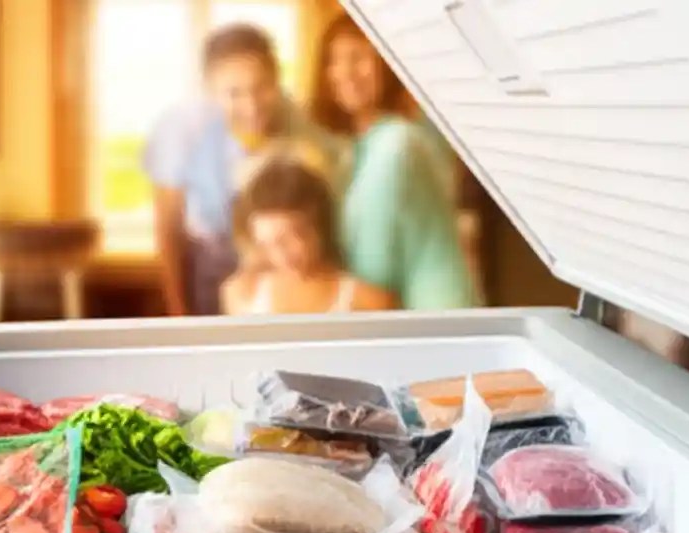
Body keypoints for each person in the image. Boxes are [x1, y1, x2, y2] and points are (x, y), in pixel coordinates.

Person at [145, 24, 347, 316]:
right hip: (210, 265)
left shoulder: (303, 131)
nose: (251, 106)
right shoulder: (181, 130)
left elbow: (321, 221)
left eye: (262, 87)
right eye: (234, 93)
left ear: (277, 78)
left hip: (282, 262)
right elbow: (168, 229)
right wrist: (179, 316)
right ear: (210, 90)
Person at [310, 14, 475, 310]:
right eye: (333, 61)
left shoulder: (396, 143)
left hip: (436, 321)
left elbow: (375, 270)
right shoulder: (362, 147)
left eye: (358, 57)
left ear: (387, 64)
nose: (345, 71)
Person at [222, 157, 394, 315]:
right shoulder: (242, 294)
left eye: (293, 237)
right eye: (270, 244)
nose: (283, 255)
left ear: (320, 225)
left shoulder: (367, 300)